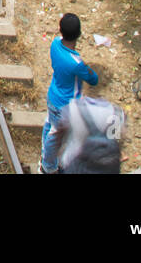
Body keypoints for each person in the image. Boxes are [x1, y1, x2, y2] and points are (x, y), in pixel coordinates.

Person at [41, 13, 100, 174]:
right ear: (79, 35)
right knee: (57, 134)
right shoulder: (76, 63)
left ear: (60, 31)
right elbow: (93, 79)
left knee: (49, 125)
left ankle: (45, 155)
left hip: (53, 95)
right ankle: (48, 166)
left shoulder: (54, 44)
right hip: (66, 105)